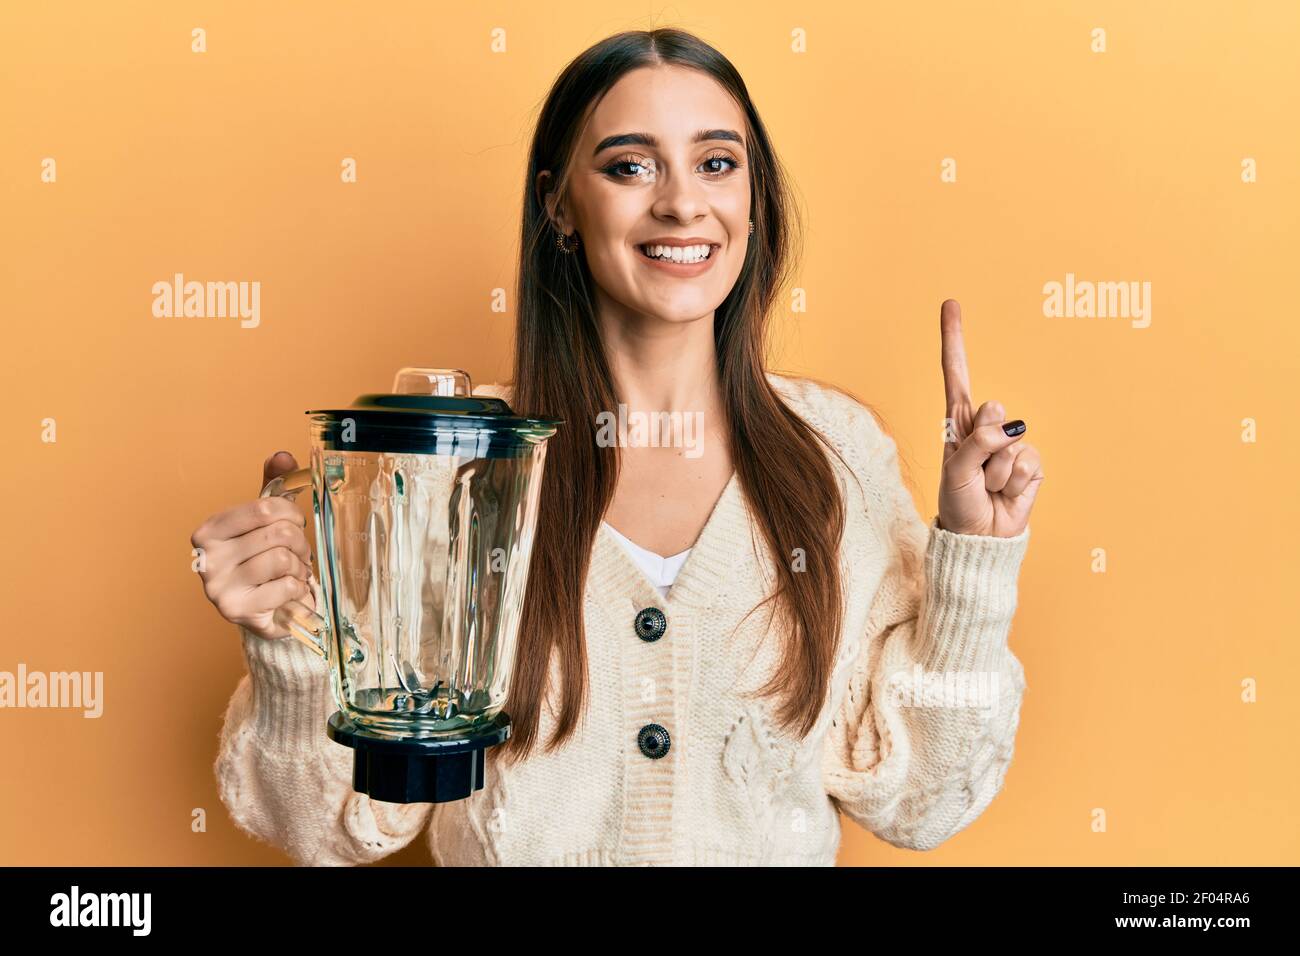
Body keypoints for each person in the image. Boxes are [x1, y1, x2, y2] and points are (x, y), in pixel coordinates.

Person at [194, 28, 1043, 866]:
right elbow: (330, 826)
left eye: (717, 163)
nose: (681, 202)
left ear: (754, 199)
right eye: (630, 166)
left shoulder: (837, 455)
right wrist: (291, 643)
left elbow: (919, 801)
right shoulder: (455, 465)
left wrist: (976, 556)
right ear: (560, 202)